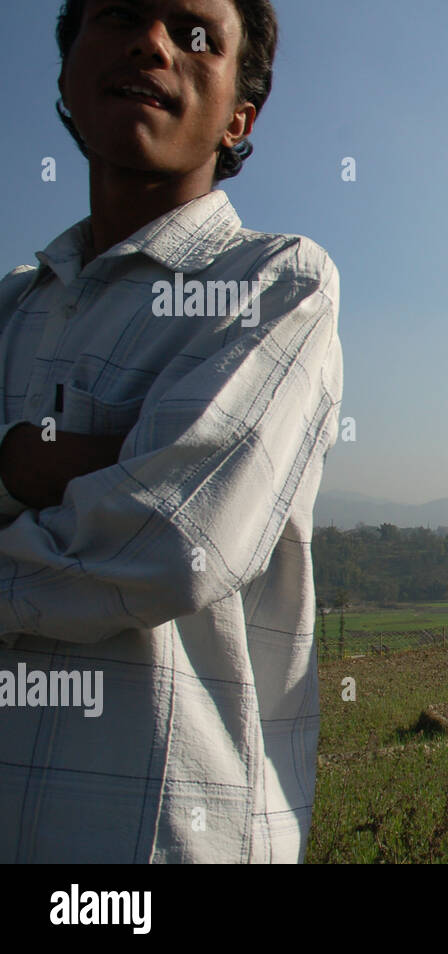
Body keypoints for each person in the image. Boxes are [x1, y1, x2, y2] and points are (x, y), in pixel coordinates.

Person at [0, 0, 342, 862]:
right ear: (67, 73)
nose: (151, 43)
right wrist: (34, 466)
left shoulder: (277, 281)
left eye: (195, 34)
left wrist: (45, 467)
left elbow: (170, 546)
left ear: (239, 119)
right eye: (118, 15)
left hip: (165, 835)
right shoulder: (11, 305)